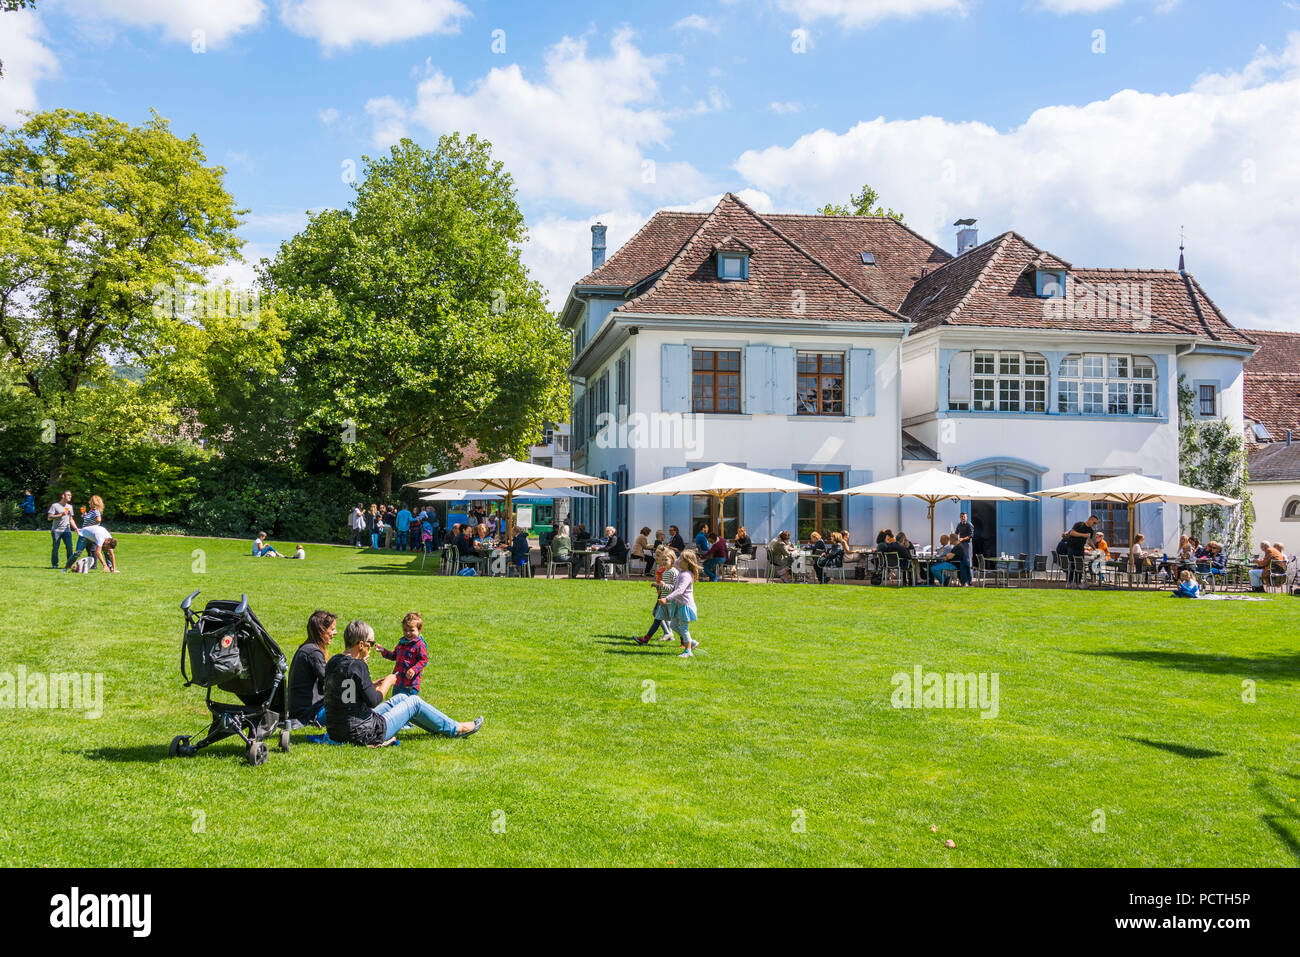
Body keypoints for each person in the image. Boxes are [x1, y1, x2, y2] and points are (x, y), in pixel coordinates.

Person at [322, 620, 481, 746]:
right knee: (414, 702)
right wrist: (389, 682)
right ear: (360, 645)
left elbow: (348, 695)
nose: (370, 647)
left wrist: (376, 682)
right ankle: (457, 728)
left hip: (337, 729)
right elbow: (374, 700)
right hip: (363, 732)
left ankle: (443, 727)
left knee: (401, 698)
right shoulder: (358, 665)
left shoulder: (334, 661)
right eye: (370, 643)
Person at [288, 610, 335, 727]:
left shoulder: (307, 648)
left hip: (301, 710)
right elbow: (330, 682)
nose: (335, 632)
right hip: (309, 713)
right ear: (321, 630)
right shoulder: (313, 652)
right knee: (351, 703)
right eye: (332, 629)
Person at [375, 612, 428, 698]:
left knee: (407, 707)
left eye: (411, 630)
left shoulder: (419, 644)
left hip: (410, 685)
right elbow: (394, 656)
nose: (408, 633)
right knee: (395, 705)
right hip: (398, 682)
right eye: (405, 630)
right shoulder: (402, 642)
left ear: (419, 629)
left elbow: (423, 660)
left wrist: (414, 670)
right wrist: (383, 651)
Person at [660, 549, 701, 657]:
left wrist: (666, 599)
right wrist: (683, 552)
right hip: (679, 604)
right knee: (673, 625)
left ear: (687, 562)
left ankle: (688, 651)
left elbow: (679, 591)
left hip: (685, 606)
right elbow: (677, 561)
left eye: (682, 559)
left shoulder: (686, 575)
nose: (678, 561)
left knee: (684, 628)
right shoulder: (682, 570)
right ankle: (691, 642)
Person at [635, 546, 678, 644]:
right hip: (663, 601)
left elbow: (676, 588)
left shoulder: (674, 572)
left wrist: (664, 585)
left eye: (666, 560)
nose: (663, 561)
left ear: (672, 560)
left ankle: (684, 642)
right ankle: (646, 639)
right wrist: (657, 586)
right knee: (657, 620)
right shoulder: (666, 571)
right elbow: (664, 586)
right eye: (662, 560)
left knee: (676, 623)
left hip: (671, 602)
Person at [47, 490, 79, 569]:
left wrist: (76, 528)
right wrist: (61, 514)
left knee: (69, 547)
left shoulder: (69, 507)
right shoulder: (55, 506)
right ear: (63, 496)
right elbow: (49, 517)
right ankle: (55, 564)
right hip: (56, 530)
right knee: (56, 548)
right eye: (68, 495)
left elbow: (71, 519)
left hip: (67, 530)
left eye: (70, 495)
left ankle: (69, 564)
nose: (70, 496)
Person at [1065, 514, 1098, 584]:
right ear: (1090, 519)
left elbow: (1089, 541)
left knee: (1080, 566)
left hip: (1080, 549)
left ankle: (1078, 582)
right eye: (1094, 523)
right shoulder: (1079, 524)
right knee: (1071, 565)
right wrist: (1084, 535)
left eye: (1096, 523)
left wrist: (1095, 549)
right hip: (1072, 547)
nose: (1094, 525)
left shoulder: (1090, 530)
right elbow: (1072, 533)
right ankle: (1069, 581)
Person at [953, 513, 974, 586]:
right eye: (962, 517)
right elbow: (956, 533)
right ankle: (963, 581)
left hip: (967, 545)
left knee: (968, 563)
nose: (963, 518)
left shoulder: (969, 525)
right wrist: (953, 540)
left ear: (967, 517)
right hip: (961, 545)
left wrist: (962, 539)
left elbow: (971, 535)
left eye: (964, 517)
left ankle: (970, 580)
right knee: (962, 562)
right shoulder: (959, 525)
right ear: (960, 517)